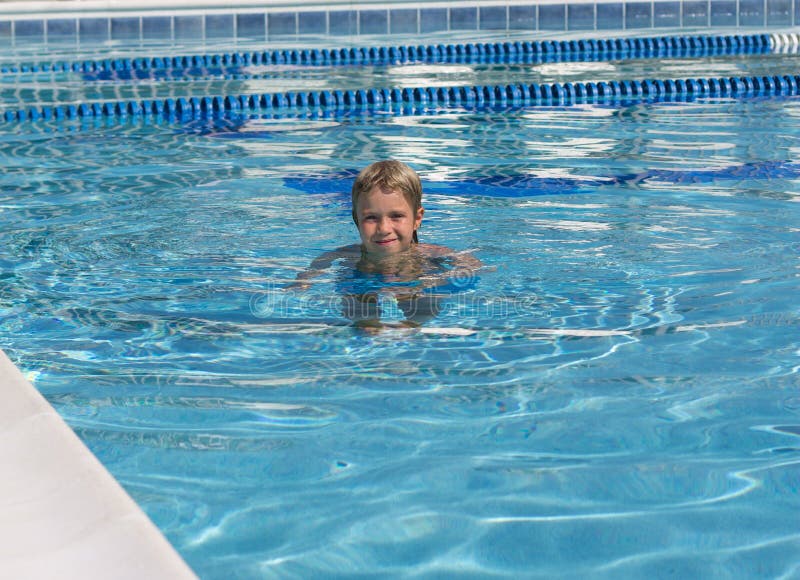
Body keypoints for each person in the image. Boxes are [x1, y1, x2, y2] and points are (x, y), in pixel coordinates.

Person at [290, 160, 481, 329]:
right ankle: (369, 332)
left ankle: (410, 328)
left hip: (414, 279)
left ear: (417, 218)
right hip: (362, 278)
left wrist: (437, 281)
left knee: (421, 308)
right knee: (358, 311)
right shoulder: (350, 254)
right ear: (357, 220)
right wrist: (304, 280)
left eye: (396, 216)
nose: (384, 228)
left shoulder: (430, 253)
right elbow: (324, 260)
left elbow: (472, 265)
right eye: (371, 217)